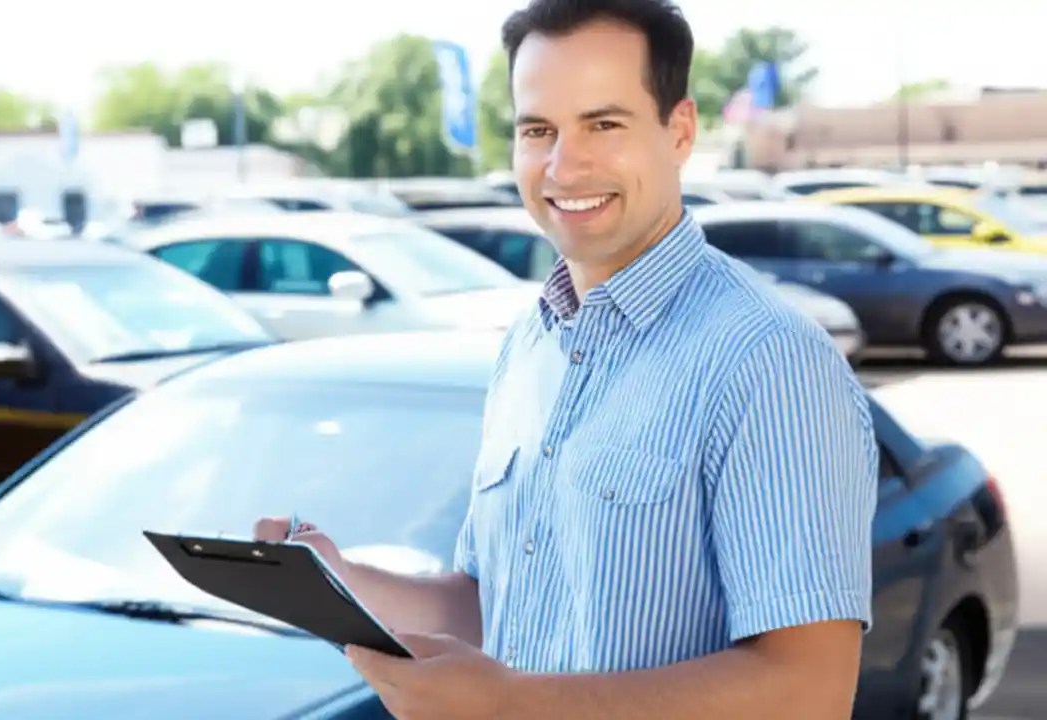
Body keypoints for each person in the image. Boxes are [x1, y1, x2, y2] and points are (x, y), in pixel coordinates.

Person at [255, 1, 877, 717]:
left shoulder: (769, 361)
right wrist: (340, 579)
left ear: (679, 131)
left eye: (603, 125)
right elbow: (501, 608)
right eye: (538, 130)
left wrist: (512, 706)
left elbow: (809, 690)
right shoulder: (529, 344)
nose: (564, 164)